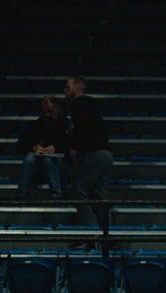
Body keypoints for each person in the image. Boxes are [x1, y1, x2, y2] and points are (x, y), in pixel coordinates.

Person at [61, 77, 113, 231]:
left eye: (68, 86)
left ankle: (89, 233)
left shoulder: (80, 104)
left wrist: (75, 147)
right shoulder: (92, 105)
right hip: (106, 154)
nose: (65, 90)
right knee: (98, 196)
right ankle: (105, 234)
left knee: (79, 191)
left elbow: (82, 128)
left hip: (92, 153)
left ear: (78, 88)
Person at [17, 95, 69, 199]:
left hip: (59, 159)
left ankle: (56, 194)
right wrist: (34, 147)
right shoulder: (38, 123)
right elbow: (22, 142)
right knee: (29, 159)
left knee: (48, 160)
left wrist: (55, 147)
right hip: (40, 157)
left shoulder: (65, 123)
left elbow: (69, 143)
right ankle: (21, 193)